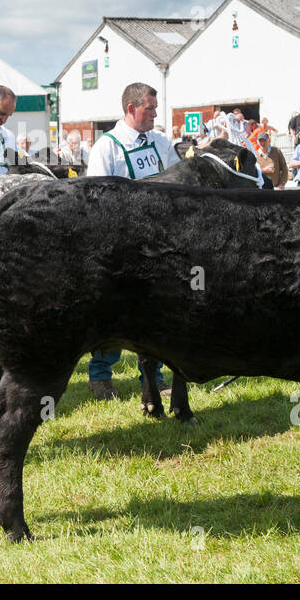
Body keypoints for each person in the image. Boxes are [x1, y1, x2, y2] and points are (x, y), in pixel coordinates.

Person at [84, 82, 179, 400]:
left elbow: (178, 184)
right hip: (120, 242)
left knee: (155, 311)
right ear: (131, 109)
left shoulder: (161, 143)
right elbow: (96, 197)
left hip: (158, 241)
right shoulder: (106, 147)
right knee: (113, 311)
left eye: (155, 107)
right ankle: (100, 377)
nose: (155, 113)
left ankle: (154, 376)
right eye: (150, 108)